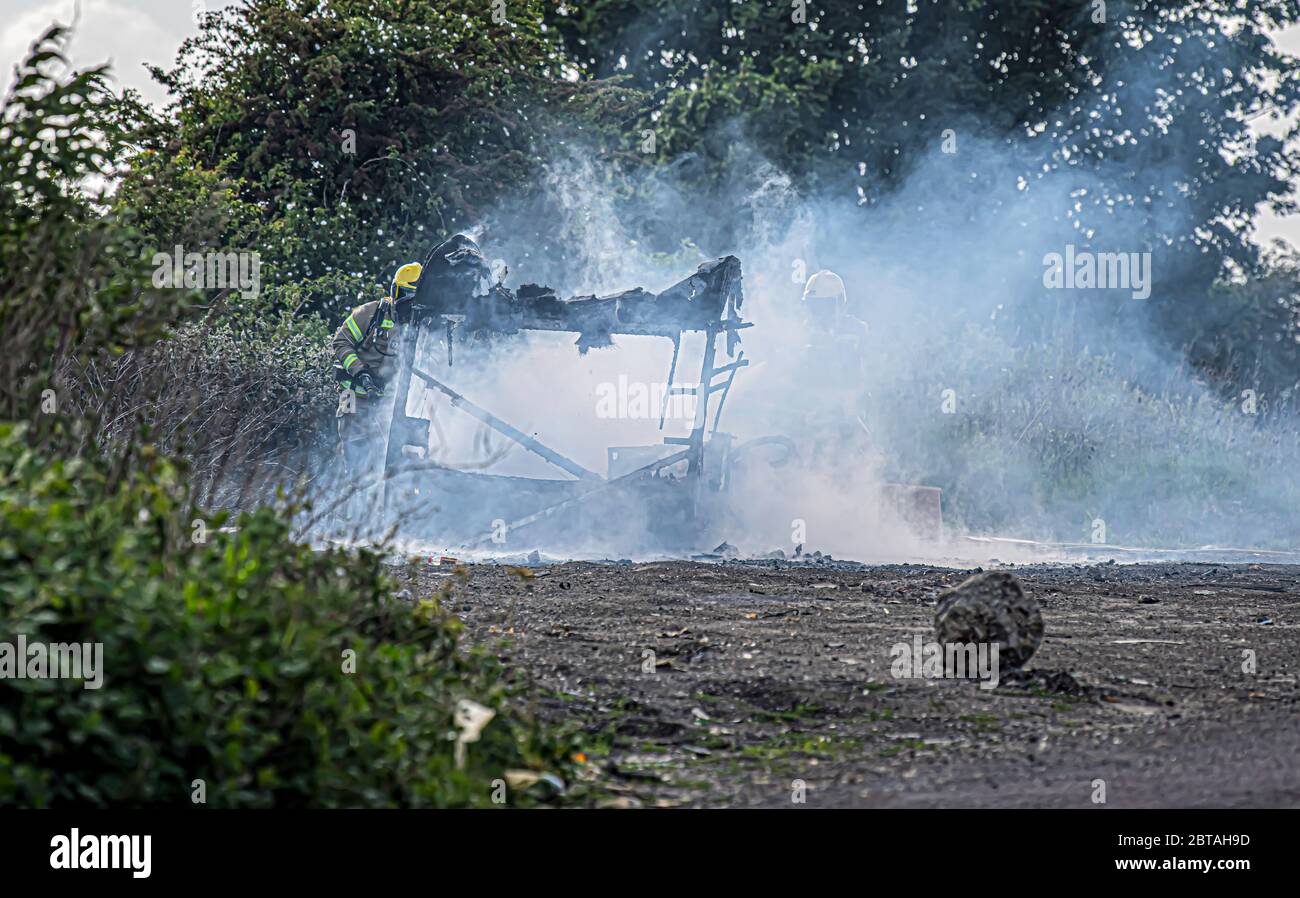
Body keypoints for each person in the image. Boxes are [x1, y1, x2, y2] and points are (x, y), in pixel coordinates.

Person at [331, 261, 422, 474]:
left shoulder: (419, 325)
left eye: (414, 298)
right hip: (351, 392)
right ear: (395, 291)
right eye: (405, 295)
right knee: (354, 445)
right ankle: (353, 491)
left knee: (391, 453)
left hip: (387, 399)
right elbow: (340, 343)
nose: (408, 304)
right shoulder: (370, 313)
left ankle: (384, 494)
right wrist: (359, 371)